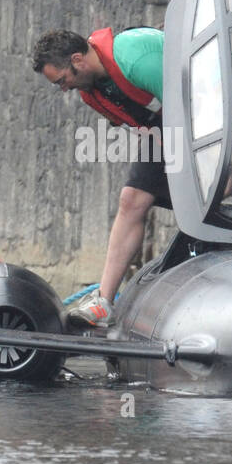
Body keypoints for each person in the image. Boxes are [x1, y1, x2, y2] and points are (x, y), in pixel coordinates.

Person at [31, 27, 166, 325]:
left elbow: (193, 101)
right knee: (132, 200)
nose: (63, 89)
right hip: (165, 126)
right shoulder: (92, 91)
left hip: (202, 104)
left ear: (77, 60)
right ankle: (104, 302)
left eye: (61, 80)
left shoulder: (135, 59)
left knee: (224, 184)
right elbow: (145, 124)